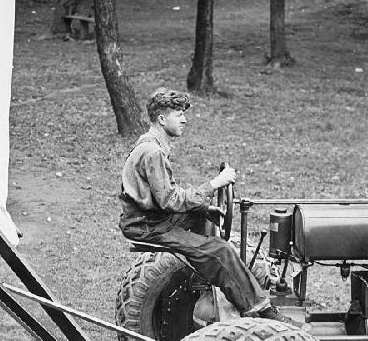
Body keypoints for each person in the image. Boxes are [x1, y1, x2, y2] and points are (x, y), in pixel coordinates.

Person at [118, 88, 295, 324]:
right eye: (178, 114)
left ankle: (217, 275)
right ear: (162, 119)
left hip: (149, 219)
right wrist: (214, 184)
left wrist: (203, 209)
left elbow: (164, 197)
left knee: (206, 222)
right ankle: (260, 309)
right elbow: (170, 200)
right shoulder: (152, 153)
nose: (184, 119)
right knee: (220, 251)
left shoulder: (149, 144)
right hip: (148, 225)